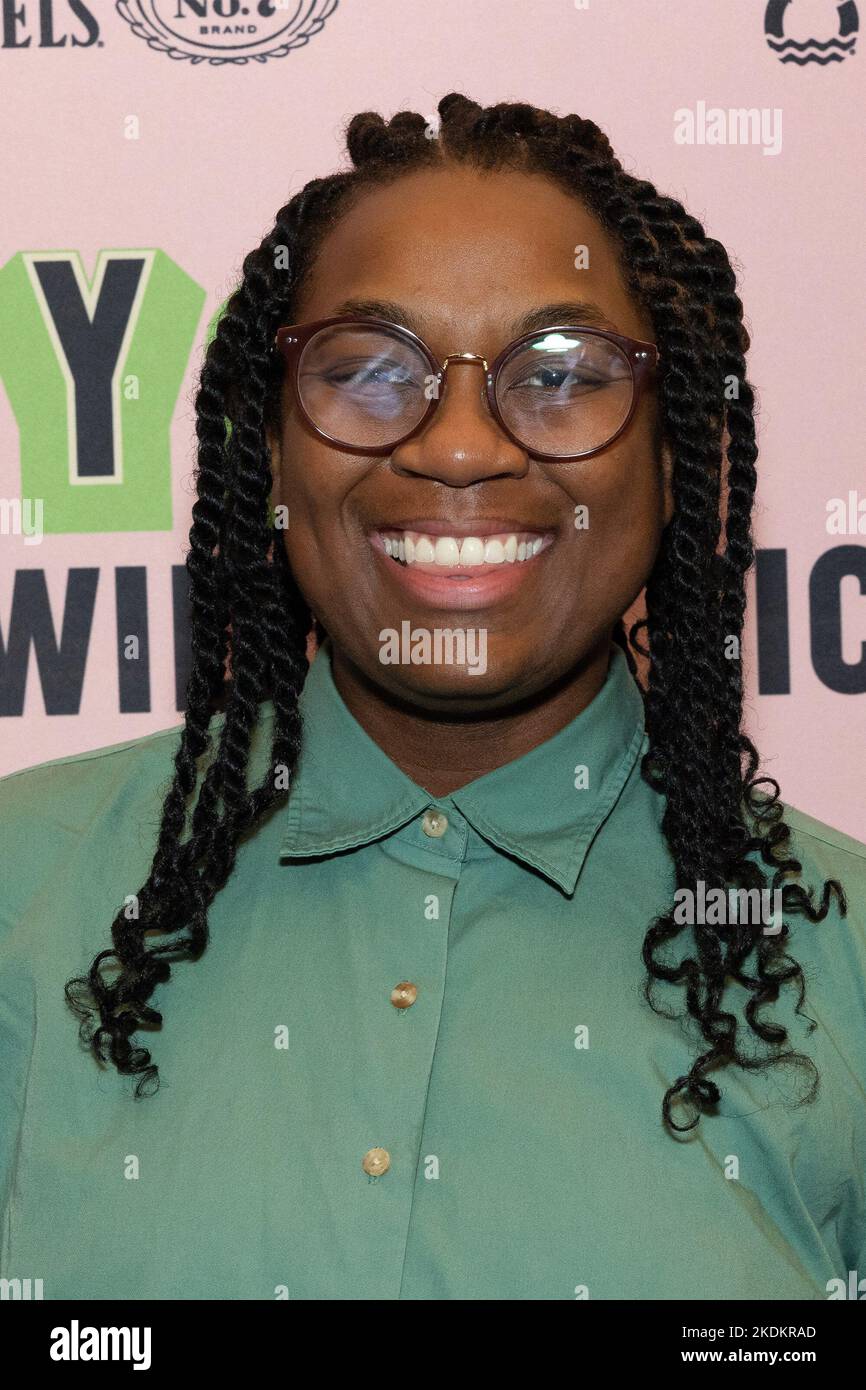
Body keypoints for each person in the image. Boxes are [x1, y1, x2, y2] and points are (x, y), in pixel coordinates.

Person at [1, 93, 864, 1302]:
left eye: (559, 376)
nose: (459, 448)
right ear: (269, 459)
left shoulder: (843, 964)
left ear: (672, 463)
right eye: (366, 371)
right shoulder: (20, 891)